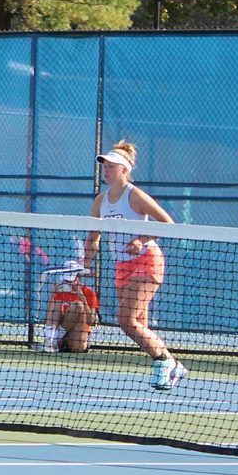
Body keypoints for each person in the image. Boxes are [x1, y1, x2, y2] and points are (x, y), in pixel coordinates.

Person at [82, 141, 184, 389]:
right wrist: (85, 264)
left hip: (146, 262)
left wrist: (142, 239)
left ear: (124, 169)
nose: (106, 169)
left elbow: (166, 223)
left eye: (111, 165)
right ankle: (172, 365)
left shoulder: (135, 196)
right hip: (122, 265)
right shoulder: (100, 201)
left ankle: (163, 362)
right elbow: (94, 236)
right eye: (104, 165)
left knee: (126, 320)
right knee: (138, 323)